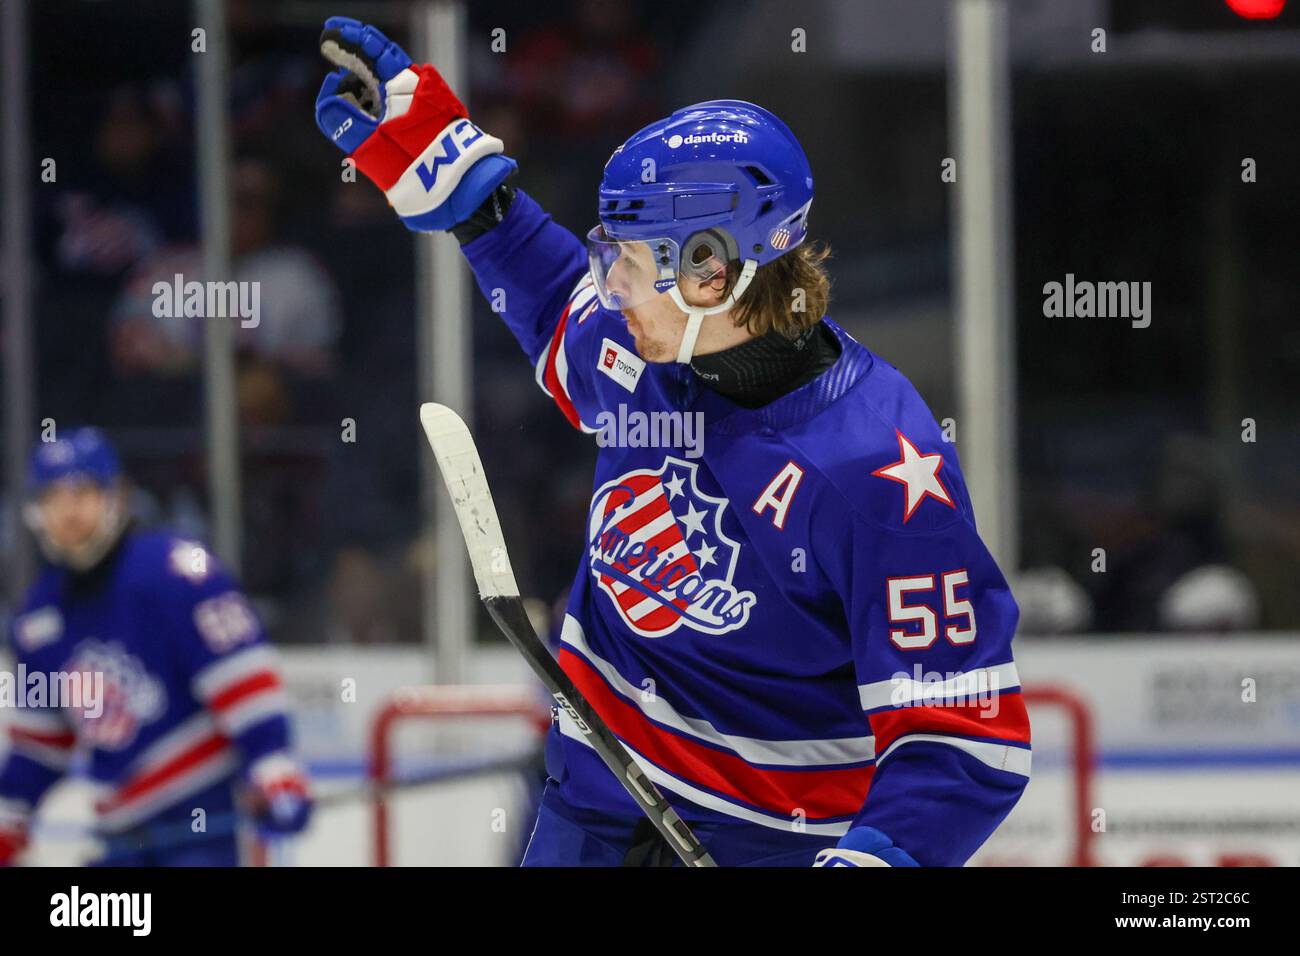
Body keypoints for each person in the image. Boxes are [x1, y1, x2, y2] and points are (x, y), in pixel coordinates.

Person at [314, 17, 1029, 867]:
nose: (608, 286)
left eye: (629, 259)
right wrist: (469, 186)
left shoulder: (875, 470)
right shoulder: (651, 356)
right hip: (589, 817)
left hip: (766, 847)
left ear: (711, 272)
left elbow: (962, 743)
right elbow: (550, 296)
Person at [0, 428, 311, 866]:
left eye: (81, 492)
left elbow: (246, 684)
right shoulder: (37, 617)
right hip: (121, 838)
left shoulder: (176, 571)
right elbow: (41, 745)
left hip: (202, 827)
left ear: (118, 495)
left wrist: (273, 765)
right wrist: (9, 818)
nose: (67, 510)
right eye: (52, 497)